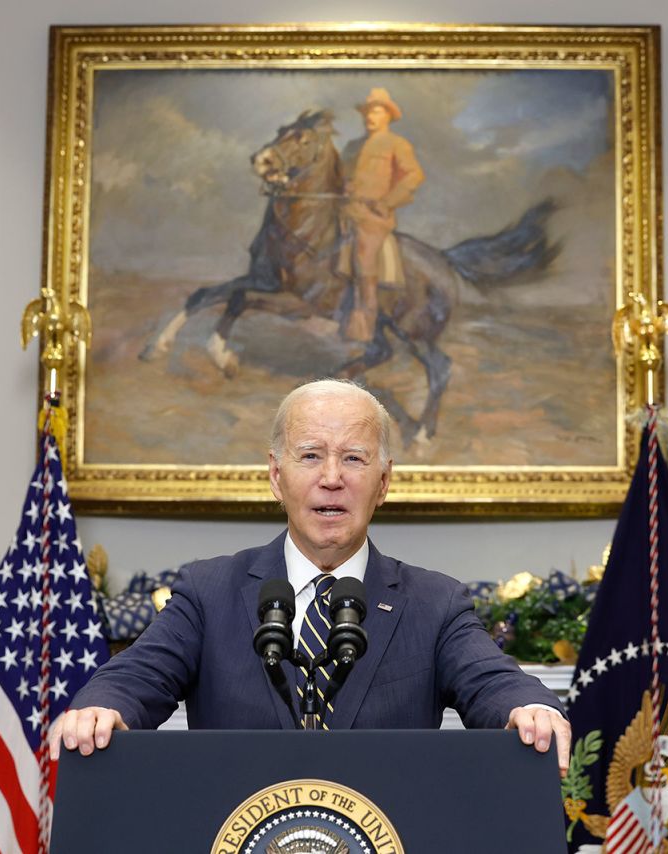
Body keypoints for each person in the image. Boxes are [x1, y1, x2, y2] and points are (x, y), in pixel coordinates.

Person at [49, 379, 571, 774]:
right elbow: (135, 678)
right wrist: (102, 709)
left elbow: (494, 682)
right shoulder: (210, 592)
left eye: (353, 458)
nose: (331, 478)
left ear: (383, 482)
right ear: (277, 476)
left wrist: (530, 709)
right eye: (311, 456)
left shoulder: (433, 603)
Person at [338, 88, 425, 342]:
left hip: (373, 218)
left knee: (364, 257)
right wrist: (344, 187)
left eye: (376, 111)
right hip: (345, 212)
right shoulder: (352, 146)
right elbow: (341, 177)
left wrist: (388, 202)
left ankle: (365, 324)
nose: (369, 116)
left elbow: (414, 176)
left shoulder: (396, 144)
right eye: (367, 111)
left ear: (388, 115)